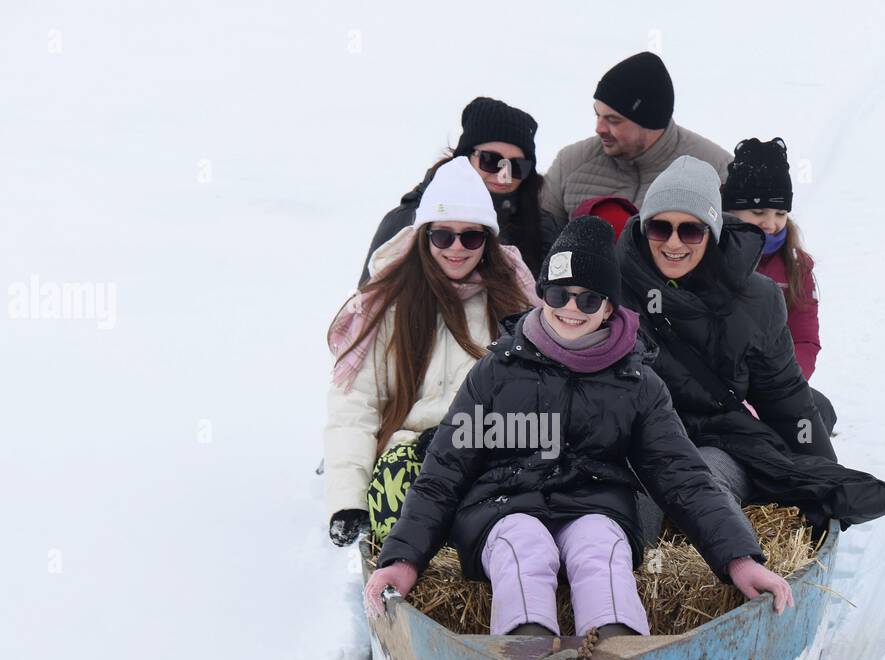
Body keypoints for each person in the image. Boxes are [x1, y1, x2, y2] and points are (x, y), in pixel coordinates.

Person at [362, 217, 793, 637]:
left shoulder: (636, 382)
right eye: (558, 294)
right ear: (541, 295)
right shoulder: (497, 370)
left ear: (609, 307)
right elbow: (444, 471)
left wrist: (739, 558)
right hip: (503, 506)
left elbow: (683, 475)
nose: (570, 308)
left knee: (601, 548)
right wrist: (404, 559)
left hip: (595, 506)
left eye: (588, 299)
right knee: (523, 544)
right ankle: (524, 656)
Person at [617, 157, 885, 535]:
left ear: (713, 232)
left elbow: (787, 399)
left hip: (718, 440)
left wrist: (822, 482)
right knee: (630, 504)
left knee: (700, 486)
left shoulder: (755, 300)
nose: (673, 243)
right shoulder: (611, 289)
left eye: (690, 231)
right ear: (642, 228)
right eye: (659, 227)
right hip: (634, 442)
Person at [326, 157, 538, 549]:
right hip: (408, 454)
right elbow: (356, 403)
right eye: (443, 236)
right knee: (403, 497)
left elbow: (538, 398)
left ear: (486, 241)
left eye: (471, 237)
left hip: (489, 451)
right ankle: (404, 581)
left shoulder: (515, 303)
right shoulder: (386, 304)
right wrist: (347, 500)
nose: (456, 248)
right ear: (424, 236)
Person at [358, 97, 557, 287]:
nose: (504, 174)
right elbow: (368, 306)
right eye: (491, 160)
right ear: (464, 158)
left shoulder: (542, 226)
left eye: (517, 165)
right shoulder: (409, 219)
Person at [723, 137, 836, 433]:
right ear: (731, 211)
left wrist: (779, 388)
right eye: (758, 213)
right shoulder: (706, 253)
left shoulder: (796, 266)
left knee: (819, 411)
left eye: (780, 213)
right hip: (717, 385)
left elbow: (805, 339)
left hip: (775, 383)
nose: (771, 223)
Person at [540, 52, 733, 222]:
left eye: (613, 120)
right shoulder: (570, 164)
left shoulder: (717, 169)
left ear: (650, 123)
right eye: (597, 114)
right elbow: (537, 242)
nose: (599, 128)